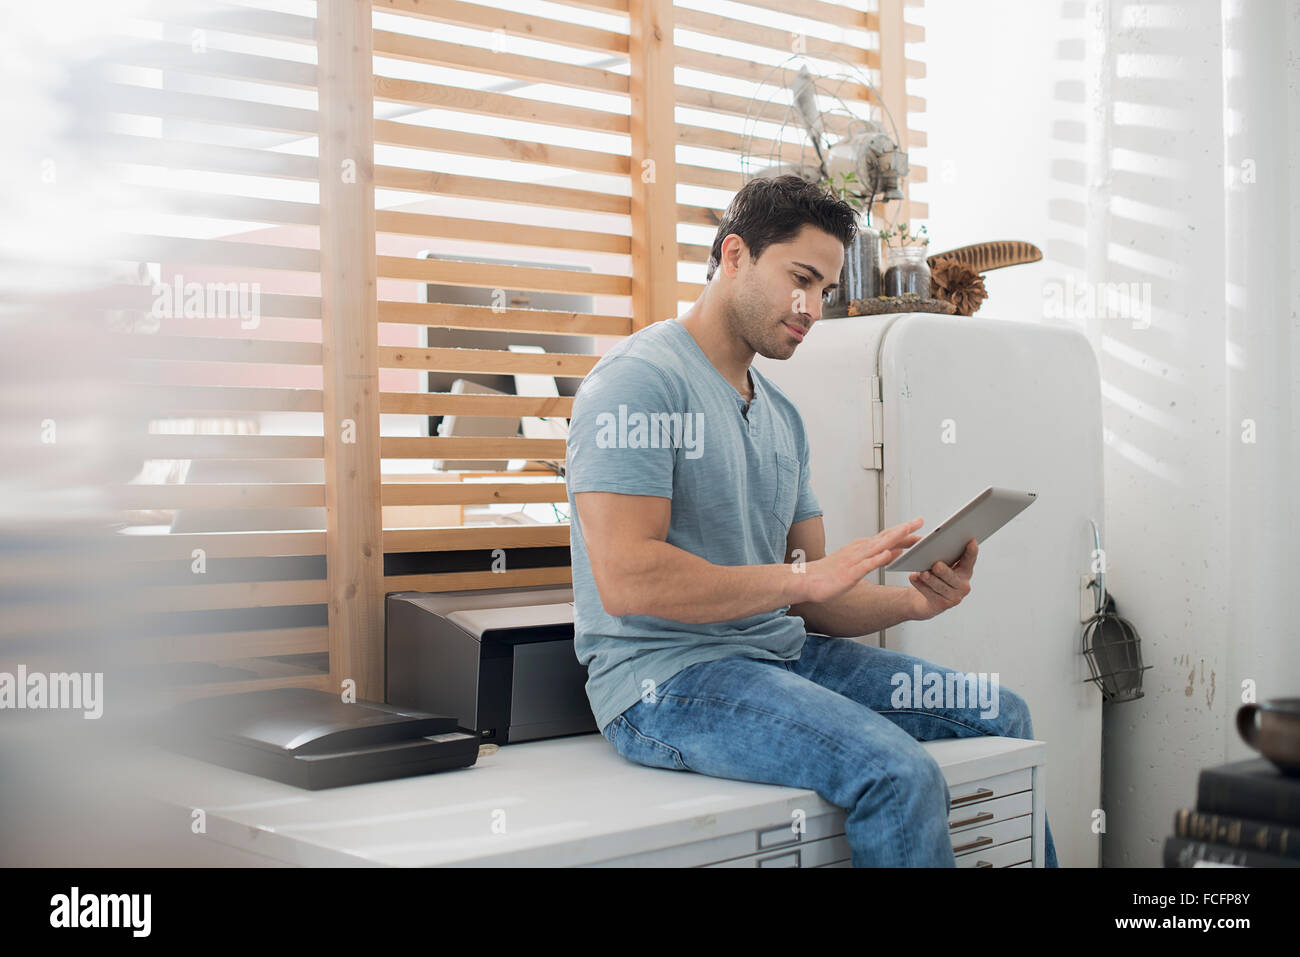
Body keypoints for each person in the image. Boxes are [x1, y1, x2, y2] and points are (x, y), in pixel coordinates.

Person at [564, 174, 1058, 867]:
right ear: (734, 256)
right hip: (667, 680)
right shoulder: (637, 382)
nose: (813, 308)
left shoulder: (781, 416)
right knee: (896, 771)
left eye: (825, 289)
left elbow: (817, 596)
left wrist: (911, 599)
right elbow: (628, 578)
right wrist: (804, 581)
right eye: (801, 278)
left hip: (782, 656)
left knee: (1003, 713)